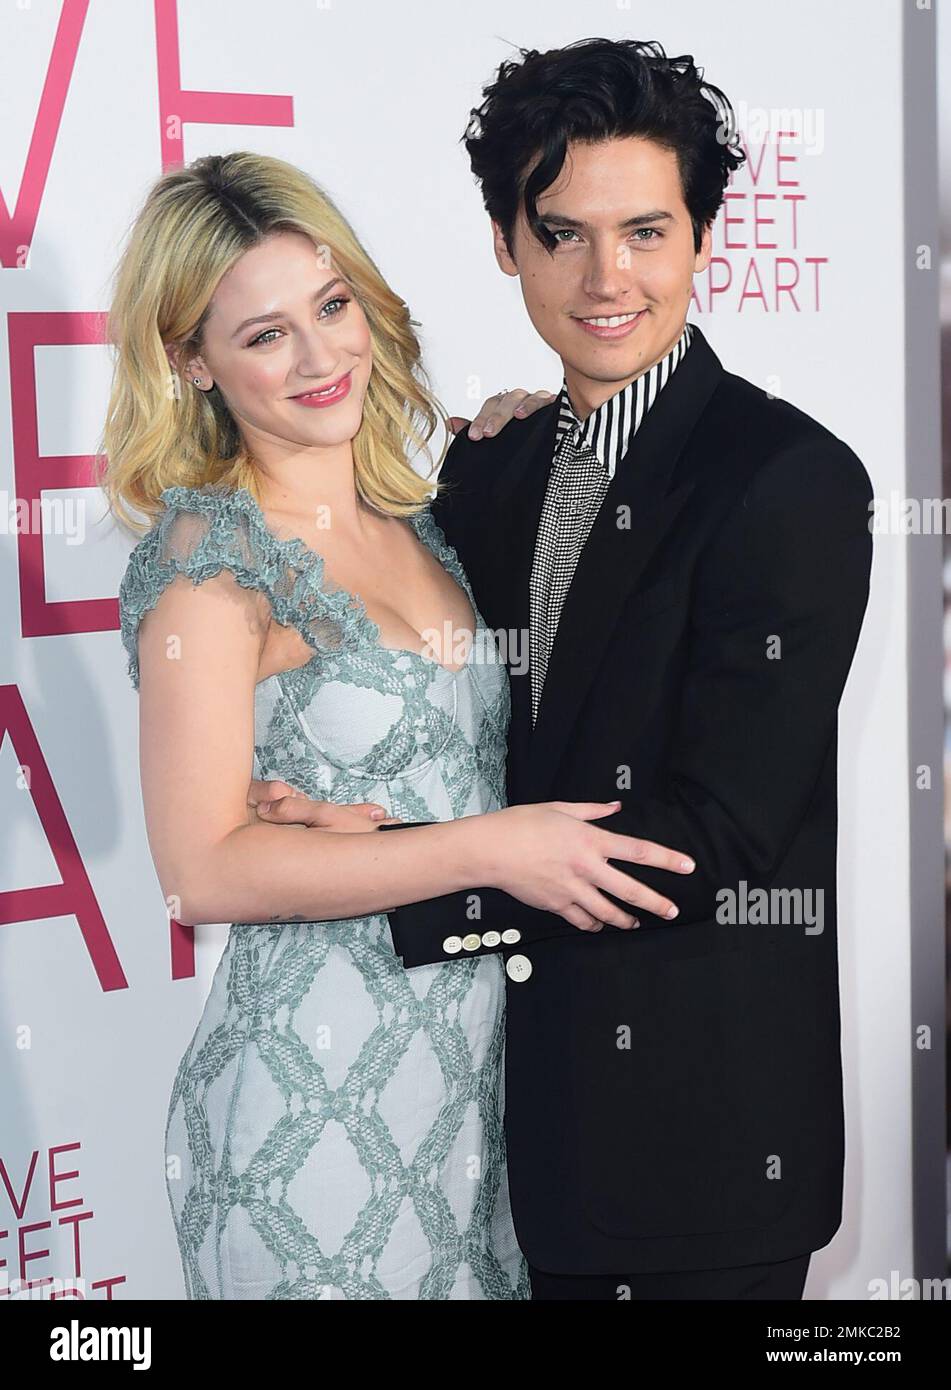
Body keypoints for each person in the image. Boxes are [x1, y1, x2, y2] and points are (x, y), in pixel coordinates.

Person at [260, 39, 875, 1300]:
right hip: (490, 1141)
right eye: (564, 235)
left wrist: (412, 876)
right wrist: (361, 822)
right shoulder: (494, 468)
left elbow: (712, 837)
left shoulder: (789, 480)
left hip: (696, 1163)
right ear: (506, 242)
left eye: (647, 232)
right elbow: (469, 728)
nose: (609, 278)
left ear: (705, 236)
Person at [101, 150, 694, 1300]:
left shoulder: (425, 514)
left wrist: (530, 439)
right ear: (191, 362)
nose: (322, 357)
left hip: (470, 1079)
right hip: (308, 1099)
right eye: (265, 334)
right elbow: (201, 869)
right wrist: (490, 845)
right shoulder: (208, 560)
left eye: (330, 307)